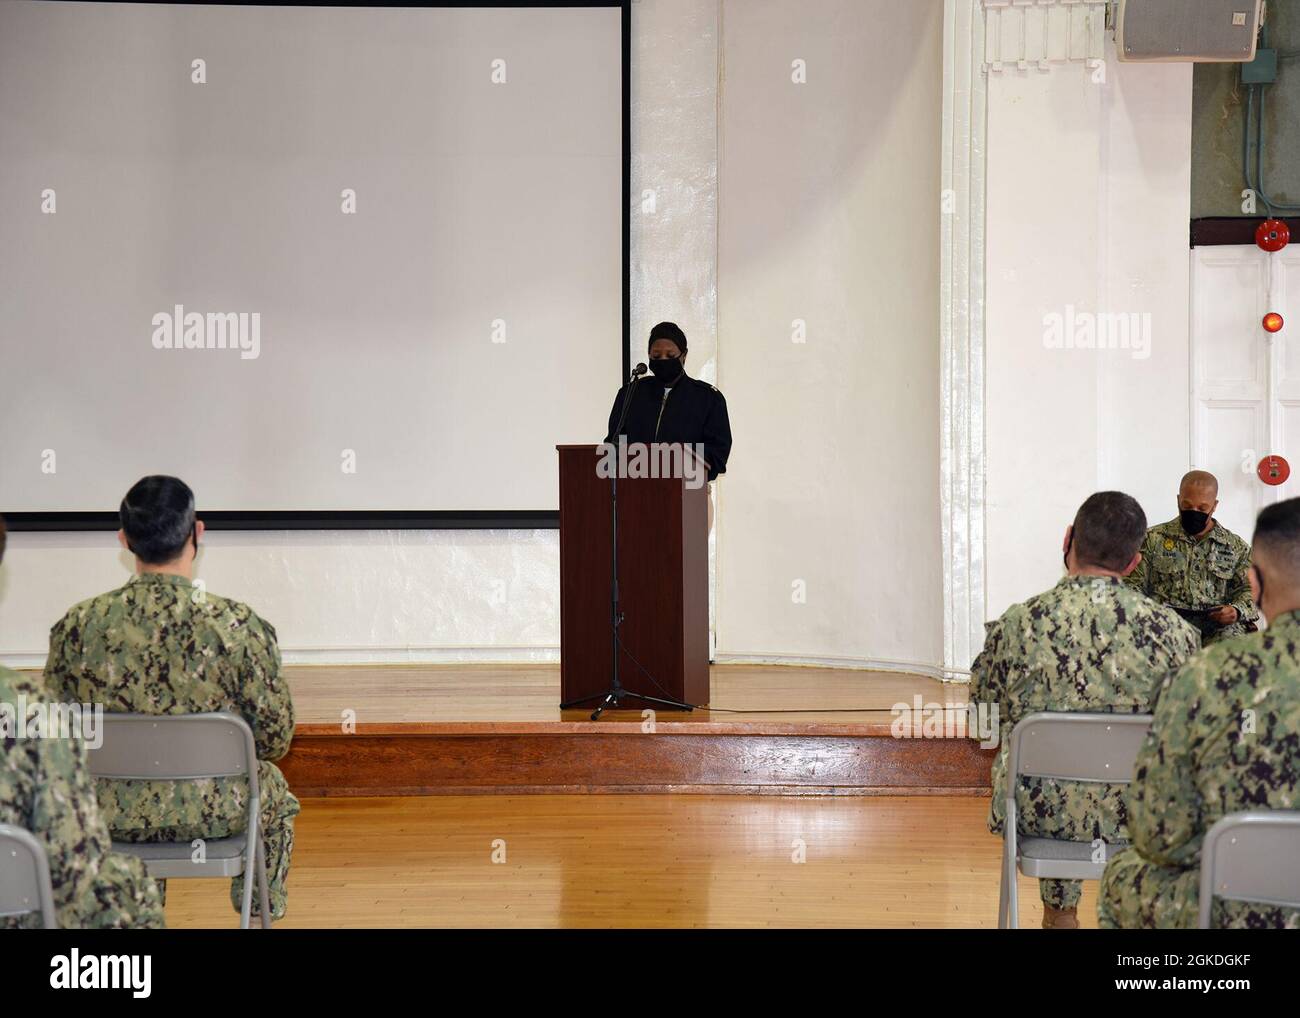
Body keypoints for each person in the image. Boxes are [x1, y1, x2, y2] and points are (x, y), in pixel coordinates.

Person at [43, 476, 299, 922]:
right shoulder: (238, 627)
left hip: (108, 812)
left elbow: (57, 736)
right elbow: (275, 739)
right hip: (217, 809)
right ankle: (258, 912)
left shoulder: (78, 628)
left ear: (125, 539)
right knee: (274, 789)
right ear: (196, 533)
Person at [969, 492, 1200, 928]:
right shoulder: (1177, 636)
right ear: (1134, 563)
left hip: (1041, 814)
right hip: (1142, 816)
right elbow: (1187, 735)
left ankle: (1059, 915)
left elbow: (983, 723)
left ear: (1067, 540)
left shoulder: (1017, 625)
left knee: (1048, 775)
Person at [1100, 497, 1300, 929]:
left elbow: (1160, 836)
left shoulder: (1204, 678)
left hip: (1237, 895)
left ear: (1256, 582)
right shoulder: (1159, 540)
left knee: (1123, 877)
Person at [0, 515, 164, 929]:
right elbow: (70, 873)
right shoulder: (32, 712)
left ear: (125, 538)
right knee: (126, 887)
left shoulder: (78, 624)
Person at [606, 322, 732, 529]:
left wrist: (673, 462)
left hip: (689, 498)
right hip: (635, 498)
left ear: (684, 355)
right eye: (656, 357)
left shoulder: (708, 398)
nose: (662, 360)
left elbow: (717, 453)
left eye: (669, 355)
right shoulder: (630, 394)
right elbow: (614, 444)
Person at [1124, 470, 1257, 644]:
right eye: (1187, 506)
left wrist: (1236, 610)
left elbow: (1251, 590)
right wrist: (1150, 613)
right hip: (1165, 625)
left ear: (1214, 505)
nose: (1194, 512)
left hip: (1217, 629)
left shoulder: (1235, 547)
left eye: (1202, 508)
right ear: (1178, 500)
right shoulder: (1152, 539)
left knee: (1231, 649)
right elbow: (1132, 584)